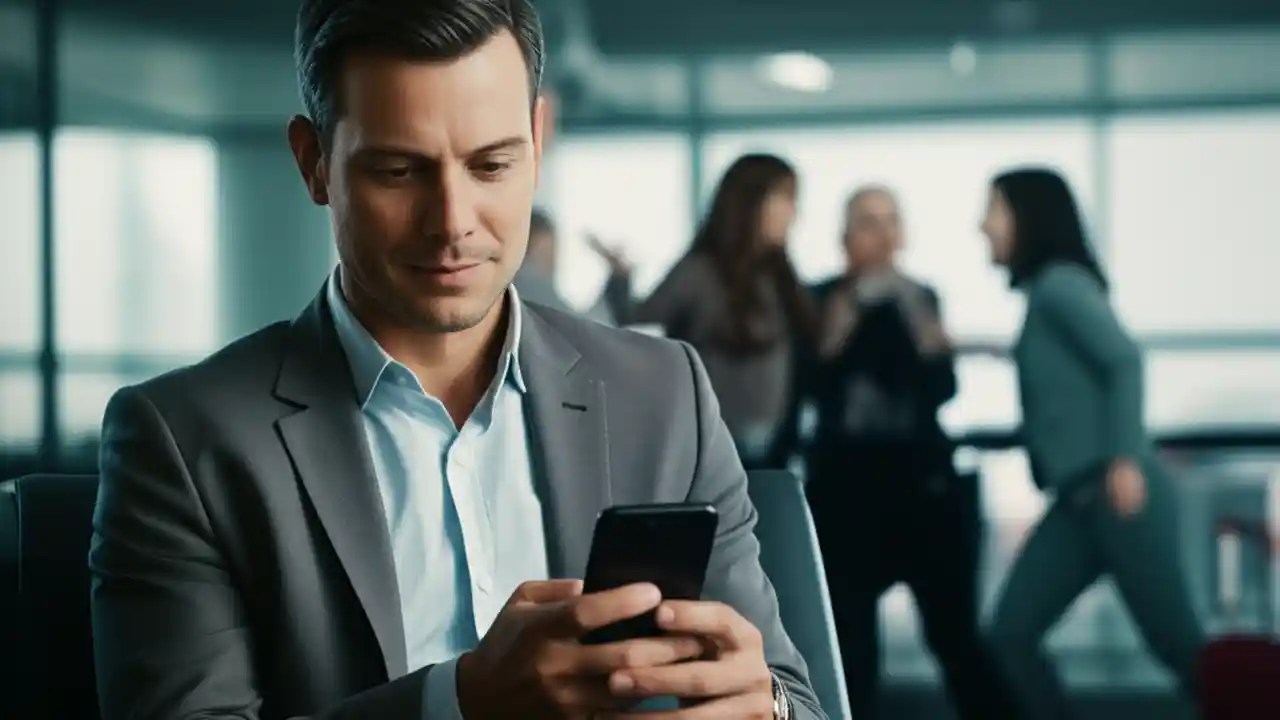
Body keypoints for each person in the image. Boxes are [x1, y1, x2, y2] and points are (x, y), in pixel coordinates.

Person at [88, 2, 823, 718]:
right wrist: (458, 705)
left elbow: (799, 698)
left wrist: (767, 709)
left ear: (539, 138)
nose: (453, 224)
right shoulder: (184, 439)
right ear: (315, 164)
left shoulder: (665, 397)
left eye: (492, 164)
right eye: (399, 172)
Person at [980, 167, 1204, 719]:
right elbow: (1062, 380)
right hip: (1081, 501)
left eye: (994, 211)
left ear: (1026, 218)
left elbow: (1125, 360)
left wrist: (1125, 457)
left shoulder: (1059, 284)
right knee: (1010, 632)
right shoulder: (1044, 296)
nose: (982, 226)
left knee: (1181, 648)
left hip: (1119, 493)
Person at [797, 187, 1011, 719]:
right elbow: (811, 385)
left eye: (892, 220)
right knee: (849, 642)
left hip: (920, 486)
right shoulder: (820, 297)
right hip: (845, 489)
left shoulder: (920, 296)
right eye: (869, 222)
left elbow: (942, 388)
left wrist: (921, 326)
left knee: (954, 635)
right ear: (845, 236)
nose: (883, 233)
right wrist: (844, 316)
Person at [592, 154, 815, 469]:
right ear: (751, 203)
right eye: (786, 198)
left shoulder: (780, 276)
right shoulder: (700, 272)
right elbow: (639, 324)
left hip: (776, 453)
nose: (794, 212)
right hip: (715, 451)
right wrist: (620, 279)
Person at [513, 208, 614, 324]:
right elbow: (585, 327)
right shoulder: (531, 283)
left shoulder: (520, 283)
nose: (553, 261)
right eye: (547, 253)